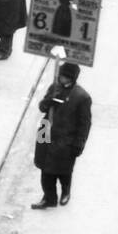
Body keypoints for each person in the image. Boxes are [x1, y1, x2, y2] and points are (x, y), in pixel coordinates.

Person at [32, 61, 93, 208]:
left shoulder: (82, 97)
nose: (61, 79)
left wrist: (79, 144)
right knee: (45, 168)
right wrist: (50, 100)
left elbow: (84, 124)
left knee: (63, 170)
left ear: (71, 78)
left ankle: (66, 191)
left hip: (65, 139)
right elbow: (42, 107)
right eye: (60, 75)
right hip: (45, 132)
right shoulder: (54, 87)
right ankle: (49, 198)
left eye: (64, 77)